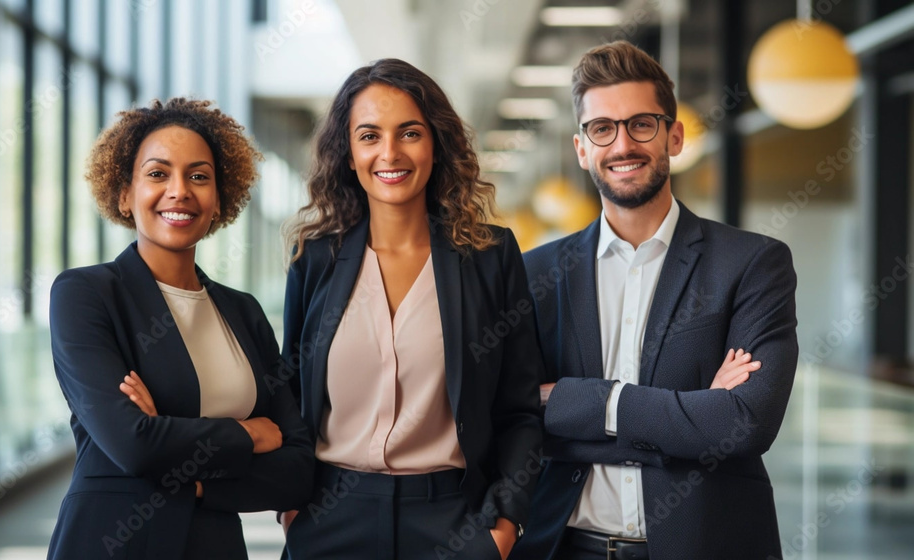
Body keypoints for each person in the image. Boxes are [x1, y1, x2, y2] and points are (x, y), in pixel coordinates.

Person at [510, 41, 798, 560]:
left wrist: (586, 403)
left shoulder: (753, 263)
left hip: (705, 547)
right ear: (582, 148)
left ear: (675, 135)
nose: (623, 144)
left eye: (641, 124)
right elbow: (513, 420)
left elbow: (743, 424)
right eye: (602, 128)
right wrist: (691, 417)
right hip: (564, 546)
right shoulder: (535, 275)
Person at [277, 58, 544, 560]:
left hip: (453, 521)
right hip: (330, 518)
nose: (390, 153)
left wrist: (505, 523)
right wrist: (292, 511)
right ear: (348, 153)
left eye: (410, 133)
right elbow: (288, 396)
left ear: (435, 145)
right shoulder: (315, 260)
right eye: (370, 136)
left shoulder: (489, 257)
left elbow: (519, 408)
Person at [47, 98, 314, 560]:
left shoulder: (243, 312)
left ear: (219, 198)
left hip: (216, 545)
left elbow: (297, 470)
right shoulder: (85, 294)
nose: (179, 191)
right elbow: (135, 445)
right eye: (157, 174)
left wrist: (193, 477)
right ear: (125, 194)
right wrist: (248, 435)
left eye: (199, 177)